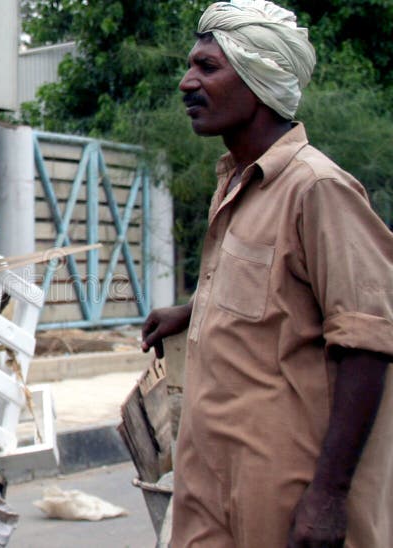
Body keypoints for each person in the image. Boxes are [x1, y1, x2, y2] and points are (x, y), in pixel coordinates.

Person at [140, 1, 393, 546]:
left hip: (283, 491)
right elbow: (276, 294)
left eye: (208, 67)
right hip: (209, 482)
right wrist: (191, 313)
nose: (187, 82)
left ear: (259, 80)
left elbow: (368, 344)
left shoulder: (318, 189)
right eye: (191, 65)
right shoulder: (236, 183)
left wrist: (328, 495)